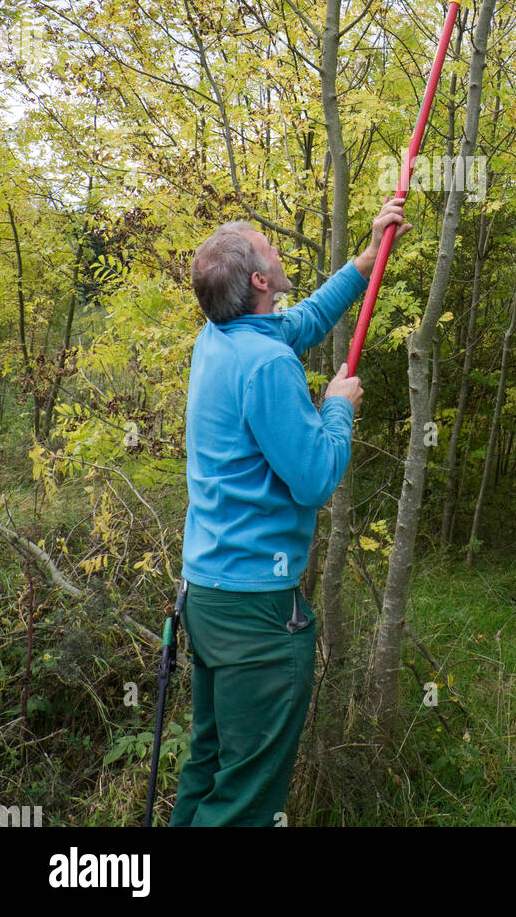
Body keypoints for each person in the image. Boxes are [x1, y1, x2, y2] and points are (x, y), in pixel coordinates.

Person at [169, 198, 410, 827]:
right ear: (257, 280)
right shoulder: (267, 365)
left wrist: (364, 261)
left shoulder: (220, 338)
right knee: (247, 797)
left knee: (212, 761)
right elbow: (313, 479)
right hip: (255, 613)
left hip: (209, 593)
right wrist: (337, 406)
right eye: (265, 246)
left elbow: (299, 322)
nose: (276, 250)